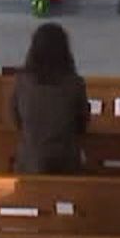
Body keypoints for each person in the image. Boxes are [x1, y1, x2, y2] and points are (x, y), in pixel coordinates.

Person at [10, 24, 89, 175]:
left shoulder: (22, 82)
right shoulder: (75, 84)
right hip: (66, 167)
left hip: (29, 165)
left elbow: (16, 119)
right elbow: (82, 124)